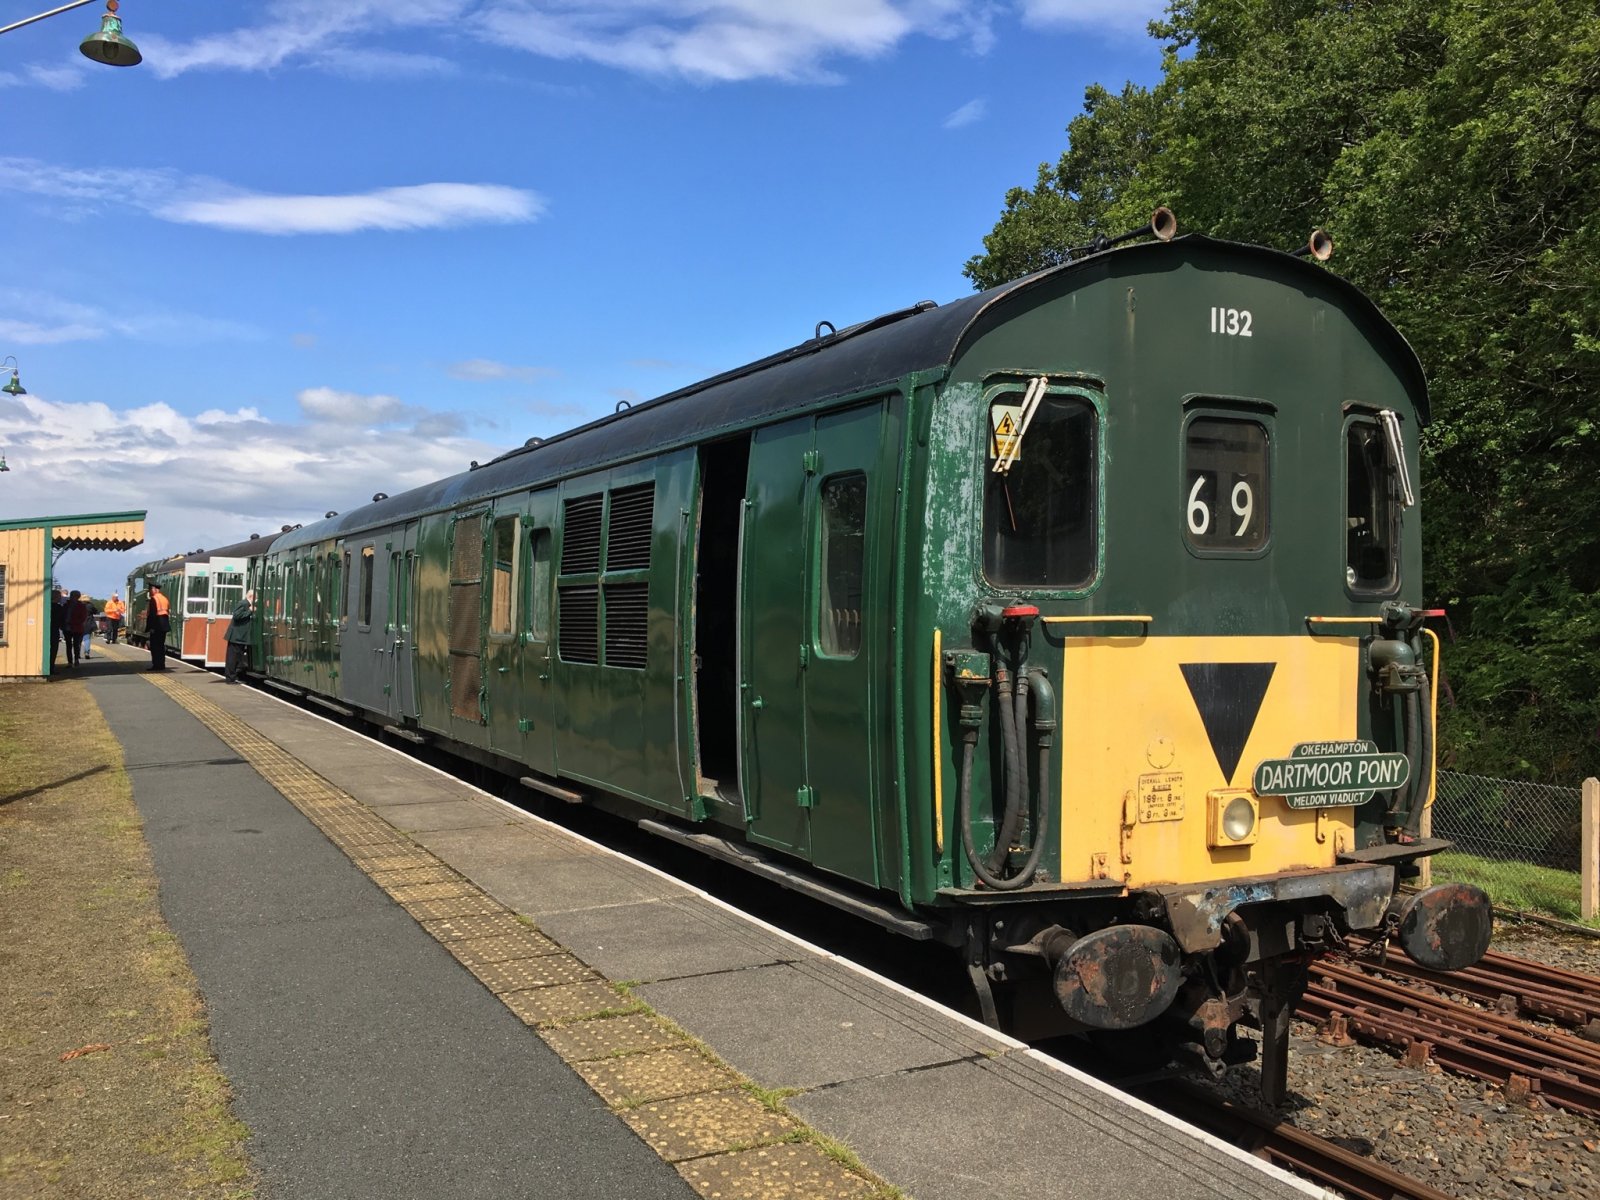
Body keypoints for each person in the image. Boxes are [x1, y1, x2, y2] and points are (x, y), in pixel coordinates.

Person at [224, 589, 254, 684]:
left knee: (236, 658)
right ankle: (230, 678)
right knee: (232, 658)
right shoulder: (244, 603)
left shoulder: (246, 604)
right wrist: (249, 611)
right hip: (236, 636)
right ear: (251, 597)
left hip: (240, 637)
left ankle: (233, 677)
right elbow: (236, 616)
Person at [145, 582, 171, 671]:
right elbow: (167, 611)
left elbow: (153, 614)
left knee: (155, 646)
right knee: (161, 645)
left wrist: (151, 627)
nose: (150, 591)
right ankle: (162, 664)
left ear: (154, 589)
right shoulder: (164, 598)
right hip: (164, 624)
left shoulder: (154, 599)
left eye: (150, 589)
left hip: (157, 624)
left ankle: (156, 665)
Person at [64, 590, 88, 668]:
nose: (72, 597)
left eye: (73, 596)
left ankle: (76, 659)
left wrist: (72, 622)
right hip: (68, 627)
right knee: (69, 645)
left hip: (76, 627)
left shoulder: (81, 606)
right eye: (72, 595)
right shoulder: (66, 605)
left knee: (76, 644)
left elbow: (83, 618)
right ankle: (70, 661)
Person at [49, 585, 67, 671]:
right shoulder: (59, 608)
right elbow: (62, 620)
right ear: (56, 597)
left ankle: (48, 666)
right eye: (59, 596)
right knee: (53, 649)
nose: (60, 598)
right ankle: (51, 667)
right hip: (54, 629)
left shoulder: (46, 606)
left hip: (47, 629)